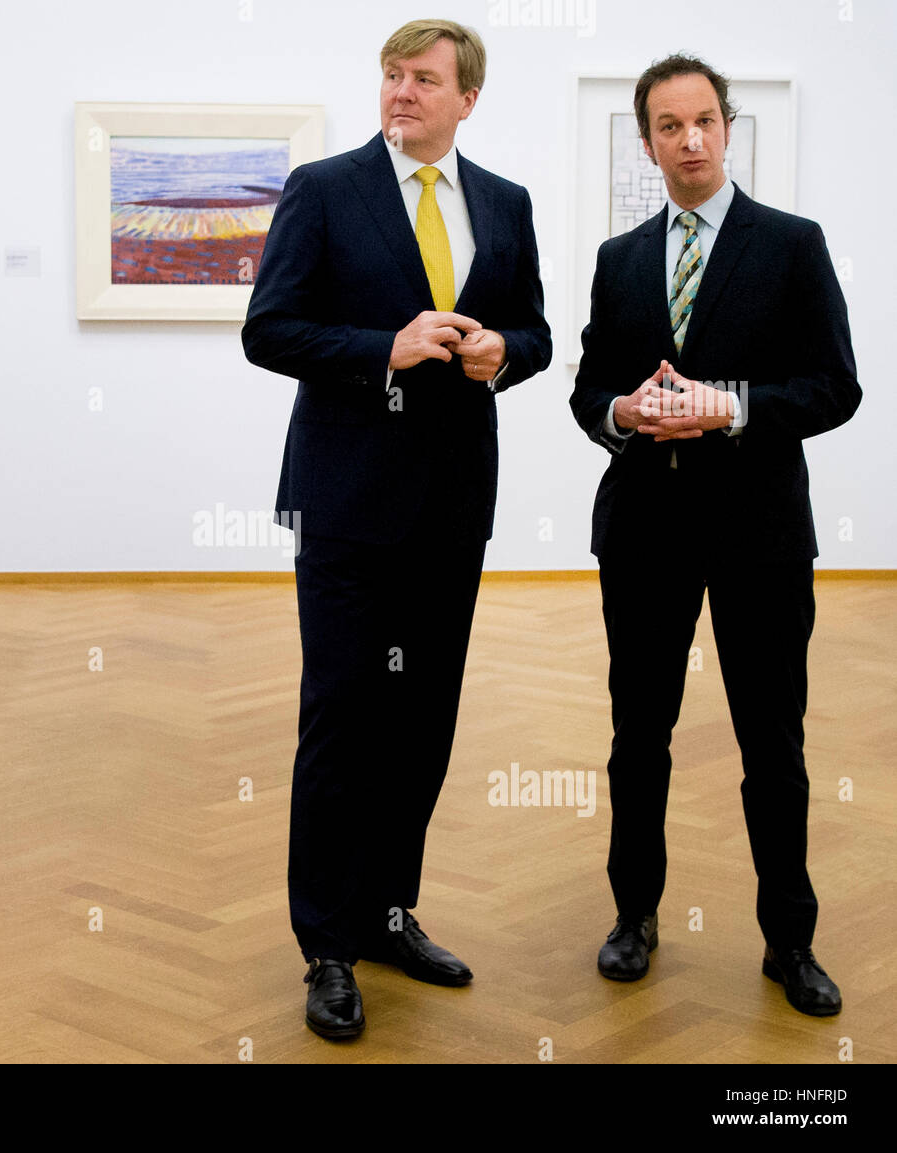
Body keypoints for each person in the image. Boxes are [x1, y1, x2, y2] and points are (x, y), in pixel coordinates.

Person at [242, 18, 550, 1039]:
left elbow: (540, 334)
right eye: (390, 76)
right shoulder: (325, 190)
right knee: (341, 721)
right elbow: (270, 330)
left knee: (421, 722)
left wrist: (502, 348)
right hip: (345, 504)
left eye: (424, 79)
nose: (402, 92)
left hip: (451, 507)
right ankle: (326, 946)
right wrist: (389, 345)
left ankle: (384, 911)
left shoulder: (503, 205)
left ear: (467, 98)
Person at [569, 53, 860, 1016]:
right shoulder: (619, 261)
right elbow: (585, 395)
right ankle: (632, 919)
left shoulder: (792, 243)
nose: (689, 140)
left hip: (760, 534)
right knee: (637, 736)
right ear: (646, 140)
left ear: (727, 128)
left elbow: (834, 389)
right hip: (645, 532)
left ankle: (791, 940)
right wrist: (624, 409)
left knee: (771, 743)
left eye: (704, 122)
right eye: (668, 126)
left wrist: (725, 407)